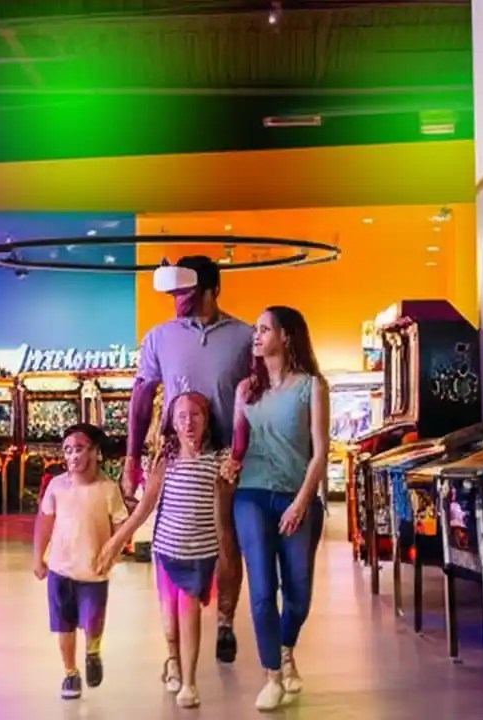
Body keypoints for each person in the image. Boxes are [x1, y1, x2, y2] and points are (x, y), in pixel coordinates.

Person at [124, 255, 252, 663]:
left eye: (186, 290)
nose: (177, 298)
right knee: (170, 536)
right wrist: (130, 458)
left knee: (226, 538)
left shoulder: (244, 336)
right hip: (174, 455)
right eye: (174, 290)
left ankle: (226, 621)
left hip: (227, 457)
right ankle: (175, 642)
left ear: (212, 289)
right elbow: (141, 398)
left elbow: (257, 399)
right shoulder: (159, 337)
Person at [98, 392, 233, 709]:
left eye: (196, 415)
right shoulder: (164, 462)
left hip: (200, 553)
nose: (189, 422)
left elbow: (224, 512)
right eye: (182, 416)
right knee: (170, 625)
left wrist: (227, 552)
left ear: (206, 419)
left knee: (189, 615)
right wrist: (116, 541)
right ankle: (172, 661)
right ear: (172, 422)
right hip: (166, 552)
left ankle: (189, 681)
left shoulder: (216, 460)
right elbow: (144, 509)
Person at [228, 306, 329, 712]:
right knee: (262, 590)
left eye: (264, 329)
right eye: (255, 329)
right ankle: (272, 673)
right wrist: (228, 462)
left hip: (296, 495)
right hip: (250, 494)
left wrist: (302, 502)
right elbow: (238, 445)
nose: (256, 335)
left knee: (300, 595)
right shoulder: (246, 390)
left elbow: (320, 453)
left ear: (285, 336)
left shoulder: (312, 387)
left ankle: (285, 650)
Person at [33, 423, 129, 700]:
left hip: (94, 572)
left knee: (93, 621)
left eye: (79, 449)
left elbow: (121, 525)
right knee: (63, 624)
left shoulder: (108, 489)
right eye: (67, 450)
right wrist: (38, 557)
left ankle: (93, 652)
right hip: (60, 569)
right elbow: (45, 521)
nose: (73, 456)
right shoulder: (56, 486)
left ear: (95, 452)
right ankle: (70, 672)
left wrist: (115, 551)